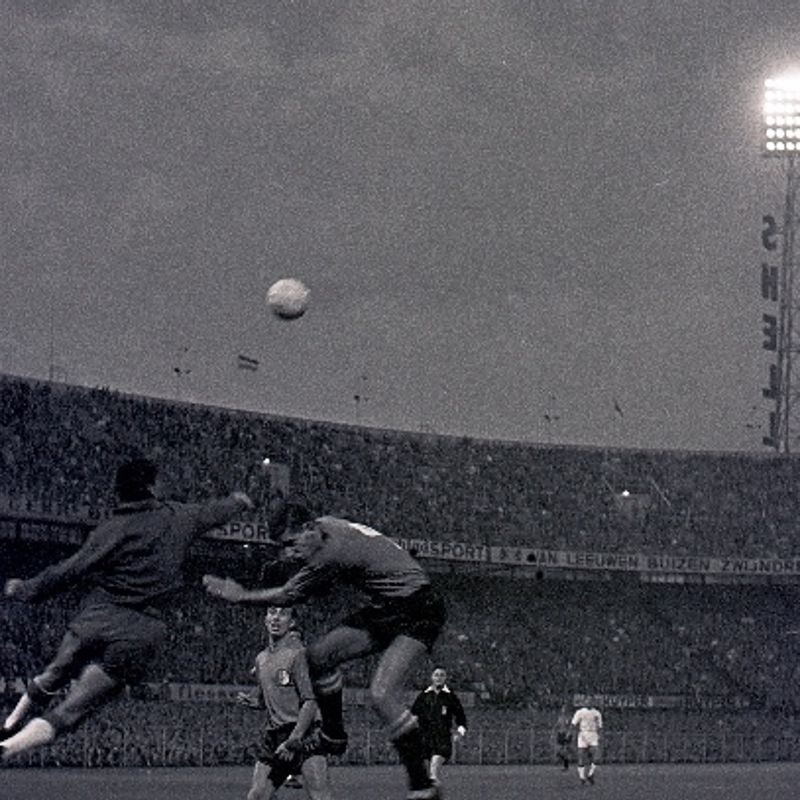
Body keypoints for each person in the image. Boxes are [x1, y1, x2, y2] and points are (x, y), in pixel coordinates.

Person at [1, 458, 252, 761]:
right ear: (152, 486)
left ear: (118, 492)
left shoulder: (110, 529)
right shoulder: (178, 516)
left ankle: (10, 723)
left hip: (96, 618)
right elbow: (214, 512)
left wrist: (26, 589)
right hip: (139, 632)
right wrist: (237, 501)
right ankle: (7, 748)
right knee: (72, 709)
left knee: (54, 674)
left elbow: (70, 569)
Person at [203, 499, 447, 800]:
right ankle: (333, 734)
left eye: (291, 543)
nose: (289, 552)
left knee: (381, 695)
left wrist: (240, 595)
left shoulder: (331, 552)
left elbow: (289, 594)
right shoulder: (327, 527)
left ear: (309, 528)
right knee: (316, 658)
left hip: (420, 608)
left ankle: (423, 786)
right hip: (389, 605)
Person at [237, 605, 332, 800]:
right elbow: (266, 699)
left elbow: (310, 701)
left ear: (292, 622)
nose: (276, 618)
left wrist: (294, 740)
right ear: (265, 619)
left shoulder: (298, 655)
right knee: (257, 796)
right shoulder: (261, 659)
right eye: (272, 612)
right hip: (274, 735)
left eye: (283, 614)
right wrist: (254, 702)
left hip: (303, 734)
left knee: (320, 796)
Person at [410, 667, 467, 787]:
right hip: (425, 736)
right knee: (425, 766)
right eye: (436, 675)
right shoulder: (424, 696)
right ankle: (430, 784)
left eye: (442, 675)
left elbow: (461, 717)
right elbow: (413, 714)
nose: (439, 677)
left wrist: (460, 732)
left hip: (443, 736)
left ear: (445, 678)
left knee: (436, 761)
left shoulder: (451, 697)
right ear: (432, 677)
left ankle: (433, 778)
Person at [571, 697, 602, 785]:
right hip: (583, 734)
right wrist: (572, 735)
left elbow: (600, 726)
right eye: (587, 701)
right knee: (581, 756)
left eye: (591, 701)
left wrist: (600, 736)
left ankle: (590, 774)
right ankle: (582, 777)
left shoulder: (597, 713)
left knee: (596, 756)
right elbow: (574, 724)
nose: (589, 703)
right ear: (584, 702)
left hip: (593, 734)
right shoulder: (580, 712)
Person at [553, 704, 572, 771]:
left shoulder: (568, 718)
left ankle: (566, 766)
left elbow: (569, 726)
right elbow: (557, 725)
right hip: (560, 734)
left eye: (565, 709)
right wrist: (554, 730)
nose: (563, 710)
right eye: (563, 709)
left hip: (565, 734)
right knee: (559, 749)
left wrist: (568, 734)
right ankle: (561, 760)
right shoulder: (560, 717)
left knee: (565, 750)